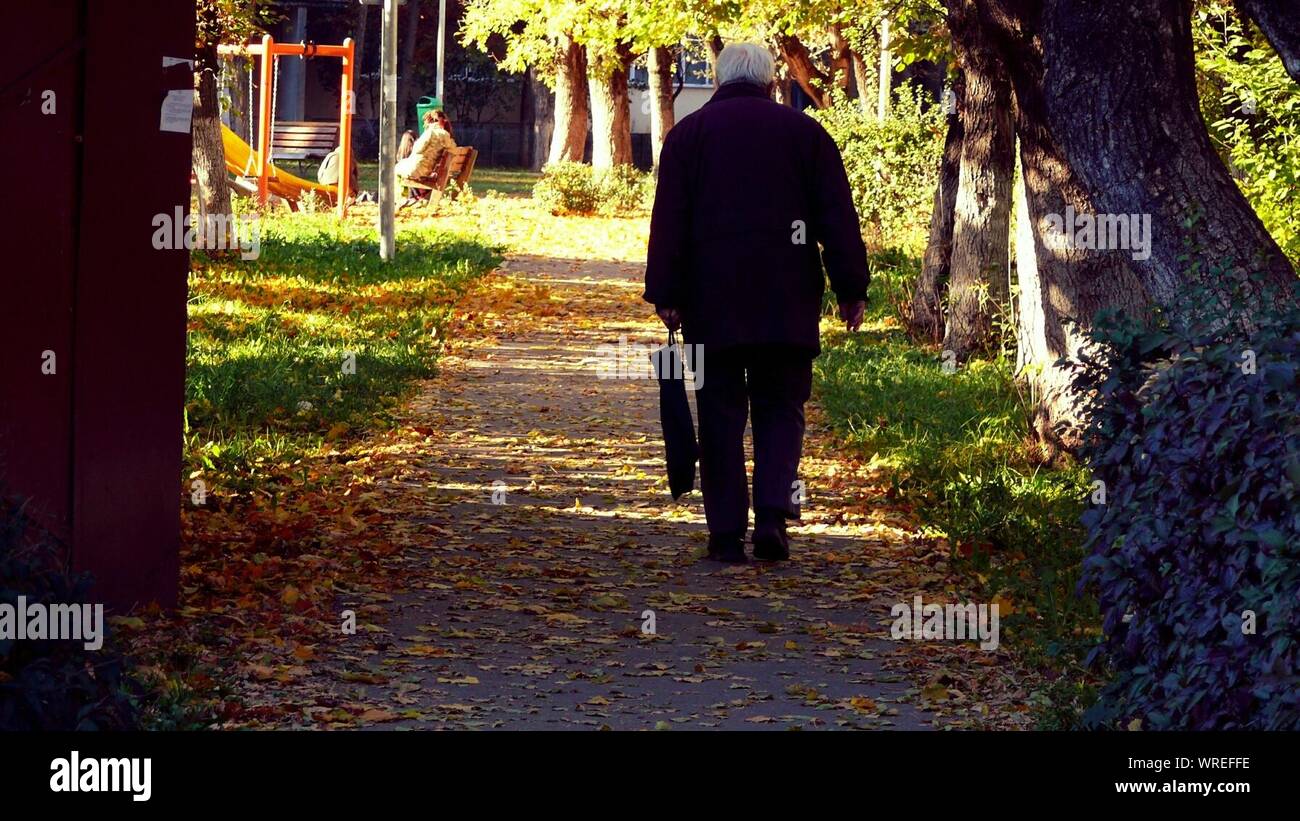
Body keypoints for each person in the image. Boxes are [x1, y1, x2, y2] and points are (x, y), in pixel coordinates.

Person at [643, 43, 869, 563]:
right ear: (770, 79)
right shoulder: (806, 134)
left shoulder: (688, 137)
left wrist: (667, 293)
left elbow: (669, 222)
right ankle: (771, 517)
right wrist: (850, 288)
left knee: (719, 412)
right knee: (781, 408)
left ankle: (725, 534)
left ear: (720, 80)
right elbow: (836, 217)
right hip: (786, 301)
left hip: (710, 301)